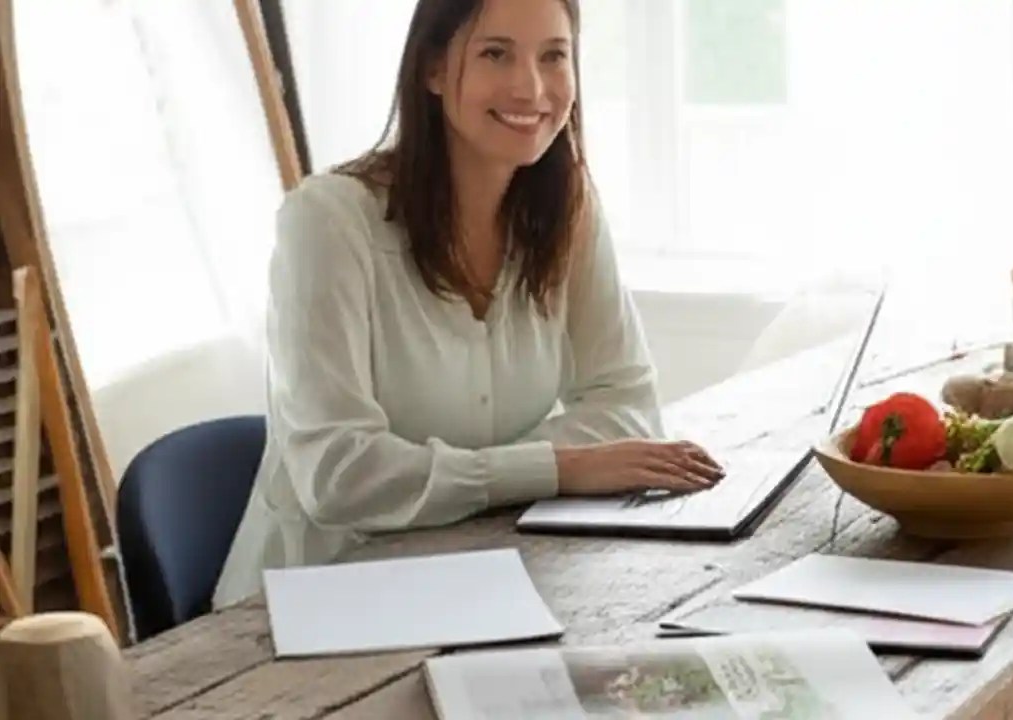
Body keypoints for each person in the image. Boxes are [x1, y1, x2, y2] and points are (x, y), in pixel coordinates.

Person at [213, 0, 725, 607]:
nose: (531, 87)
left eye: (554, 56)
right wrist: (561, 468)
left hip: (487, 576)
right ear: (432, 68)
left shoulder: (570, 208)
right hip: (317, 602)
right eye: (495, 53)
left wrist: (474, 476)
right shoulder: (327, 222)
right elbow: (339, 473)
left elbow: (630, 407)